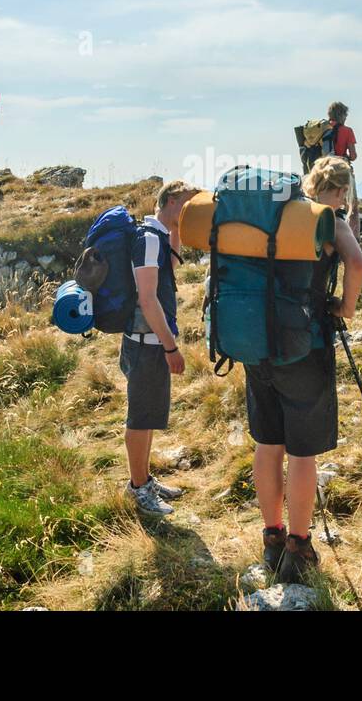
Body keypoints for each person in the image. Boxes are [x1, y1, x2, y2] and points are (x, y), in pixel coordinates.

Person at [249, 156, 362, 584]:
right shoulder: (328, 221)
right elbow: (357, 264)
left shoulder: (277, 215)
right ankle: (299, 547)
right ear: (340, 191)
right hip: (305, 347)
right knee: (302, 451)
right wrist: (346, 308)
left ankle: (272, 537)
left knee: (267, 442)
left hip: (258, 343)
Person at [122, 179, 200, 516]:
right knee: (140, 418)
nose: (189, 211)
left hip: (150, 342)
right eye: (185, 204)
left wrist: (178, 228)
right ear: (169, 200)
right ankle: (138, 489)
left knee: (150, 415)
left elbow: (171, 269)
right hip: (147, 343)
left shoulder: (158, 238)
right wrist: (171, 348)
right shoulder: (148, 239)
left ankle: (145, 480)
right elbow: (148, 299)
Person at [326, 101, 361, 238]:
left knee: (328, 207)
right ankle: (354, 242)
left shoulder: (322, 130)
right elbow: (353, 156)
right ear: (342, 115)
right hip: (342, 171)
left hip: (324, 172)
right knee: (352, 207)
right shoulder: (347, 131)